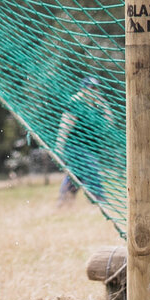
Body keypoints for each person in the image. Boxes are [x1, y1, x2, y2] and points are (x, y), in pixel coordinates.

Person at [56, 75, 115, 207]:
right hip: (75, 147)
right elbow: (65, 125)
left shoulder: (97, 107)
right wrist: (59, 146)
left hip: (91, 148)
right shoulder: (76, 103)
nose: (95, 91)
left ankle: (63, 202)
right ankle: (99, 200)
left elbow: (109, 125)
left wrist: (104, 105)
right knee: (91, 168)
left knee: (76, 175)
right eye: (91, 88)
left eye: (96, 88)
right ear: (83, 89)